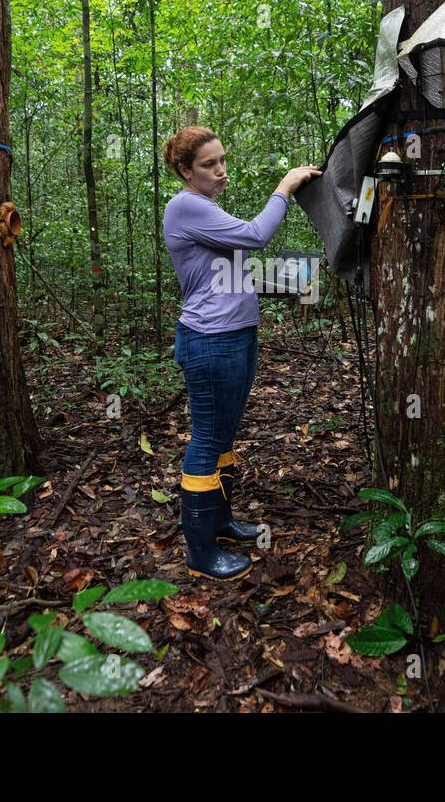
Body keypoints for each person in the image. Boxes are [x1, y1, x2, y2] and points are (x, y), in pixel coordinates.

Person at [161, 125, 321, 580]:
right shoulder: (186, 204)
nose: (221, 170)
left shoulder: (206, 207)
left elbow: (220, 276)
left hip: (235, 334)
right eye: (209, 165)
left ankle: (221, 521)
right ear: (185, 171)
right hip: (212, 339)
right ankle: (200, 550)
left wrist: (282, 283)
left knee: (224, 435)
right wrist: (285, 187)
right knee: (208, 437)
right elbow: (254, 236)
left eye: (222, 160)